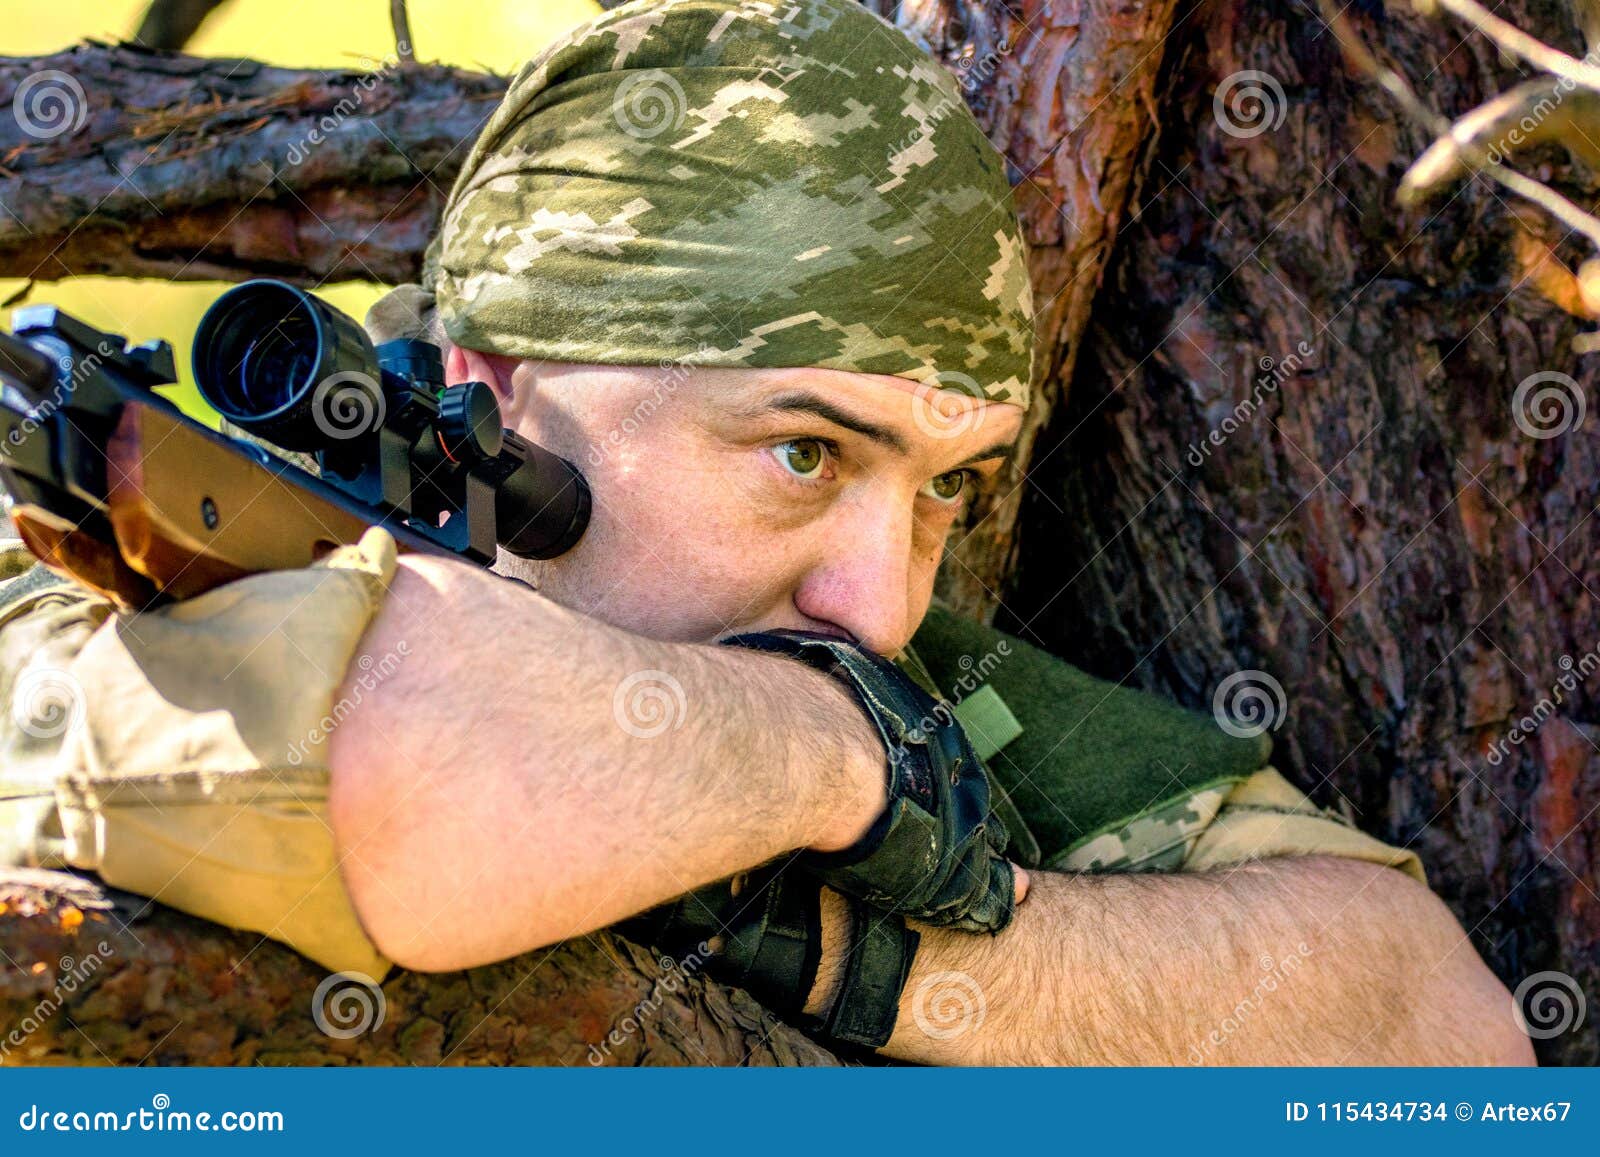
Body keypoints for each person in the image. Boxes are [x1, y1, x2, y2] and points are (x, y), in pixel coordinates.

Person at [0, 0, 1532, 1064]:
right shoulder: (68, 582)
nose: (878, 600)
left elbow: (1439, 1038)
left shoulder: (920, 677)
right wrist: (821, 765)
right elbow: (416, 778)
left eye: (949, 490)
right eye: (806, 450)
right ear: (494, 383)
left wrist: (875, 948)